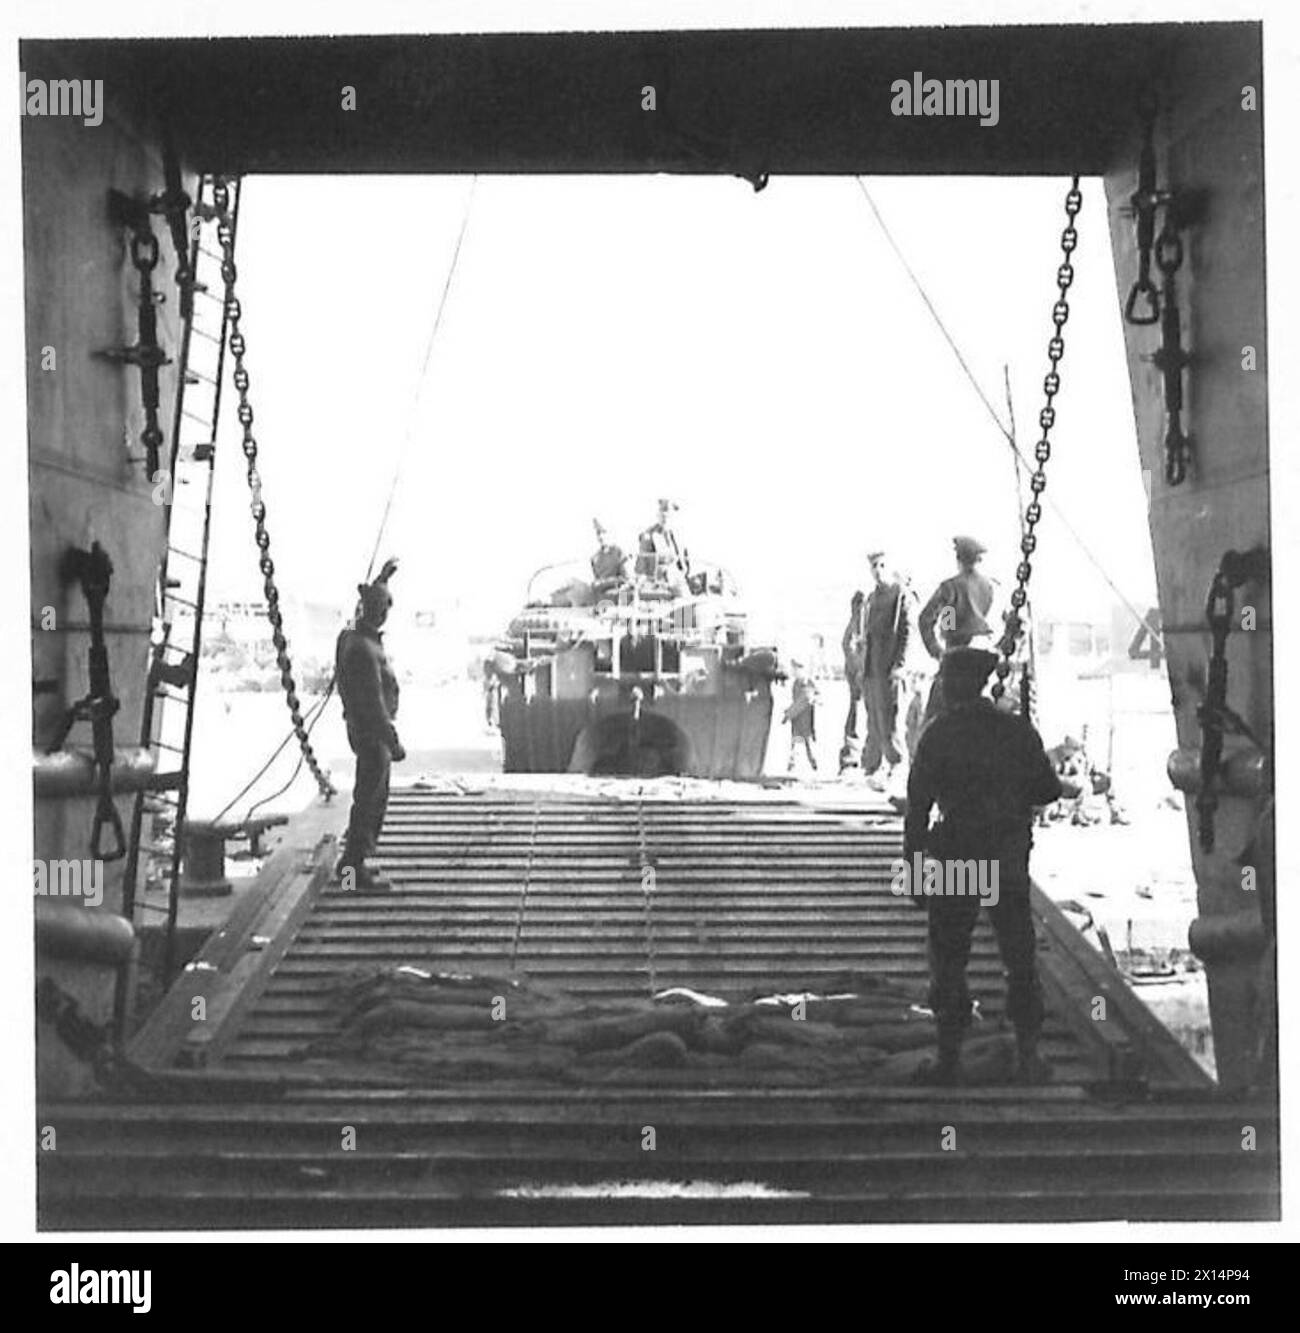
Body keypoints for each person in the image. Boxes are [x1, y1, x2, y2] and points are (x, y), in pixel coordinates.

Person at [902, 646, 1070, 1085]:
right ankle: (1030, 1057)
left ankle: (948, 1060)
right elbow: (1048, 791)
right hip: (1005, 860)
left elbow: (917, 808)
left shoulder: (938, 734)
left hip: (958, 857)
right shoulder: (1016, 731)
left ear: (951, 684)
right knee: (1019, 957)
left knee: (949, 958)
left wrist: (916, 869)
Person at [334, 558, 405, 893]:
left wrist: (381, 579)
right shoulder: (363, 650)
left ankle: (351, 870)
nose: (382, 615)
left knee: (369, 798)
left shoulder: (350, 636)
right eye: (379, 609)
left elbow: (364, 606)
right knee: (369, 802)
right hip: (372, 733)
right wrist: (392, 741)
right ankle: (351, 874)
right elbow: (373, 704)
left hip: (362, 729)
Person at [918, 534, 997, 726]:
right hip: (984, 659)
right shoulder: (990, 587)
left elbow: (930, 620)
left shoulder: (951, 587)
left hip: (956, 657)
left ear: (958, 559)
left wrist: (937, 650)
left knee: (935, 719)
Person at [860, 551, 916, 791]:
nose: (878, 570)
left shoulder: (900, 595)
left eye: (882, 565)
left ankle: (897, 765)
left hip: (890, 667)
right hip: (873, 667)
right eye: (874, 566)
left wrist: (900, 664)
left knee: (891, 717)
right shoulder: (872, 598)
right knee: (874, 717)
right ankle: (873, 767)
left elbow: (908, 630)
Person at [839, 589, 867, 770]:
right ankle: (855, 757)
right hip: (862, 672)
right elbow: (848, 644)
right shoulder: (949, 591)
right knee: (858, 710)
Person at [783, 659, 819, 774]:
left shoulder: (806, 683)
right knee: (797, 743)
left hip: (805, 720)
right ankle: (793, 763)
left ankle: (813, 763)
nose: (794, 671)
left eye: (796, 669)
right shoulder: (797, 683)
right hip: (798, 720)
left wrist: (789, 714)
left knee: (808, 743)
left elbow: (803, 701)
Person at [590, 519, 627, 596]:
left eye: (604, 533)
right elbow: (595, 580)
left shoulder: (618, 552)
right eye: (598, 534)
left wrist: (606, 582)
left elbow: (625, 578)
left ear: (609, 534)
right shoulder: (595, 558)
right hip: (601, 596)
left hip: (619, 592)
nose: (601, 537)